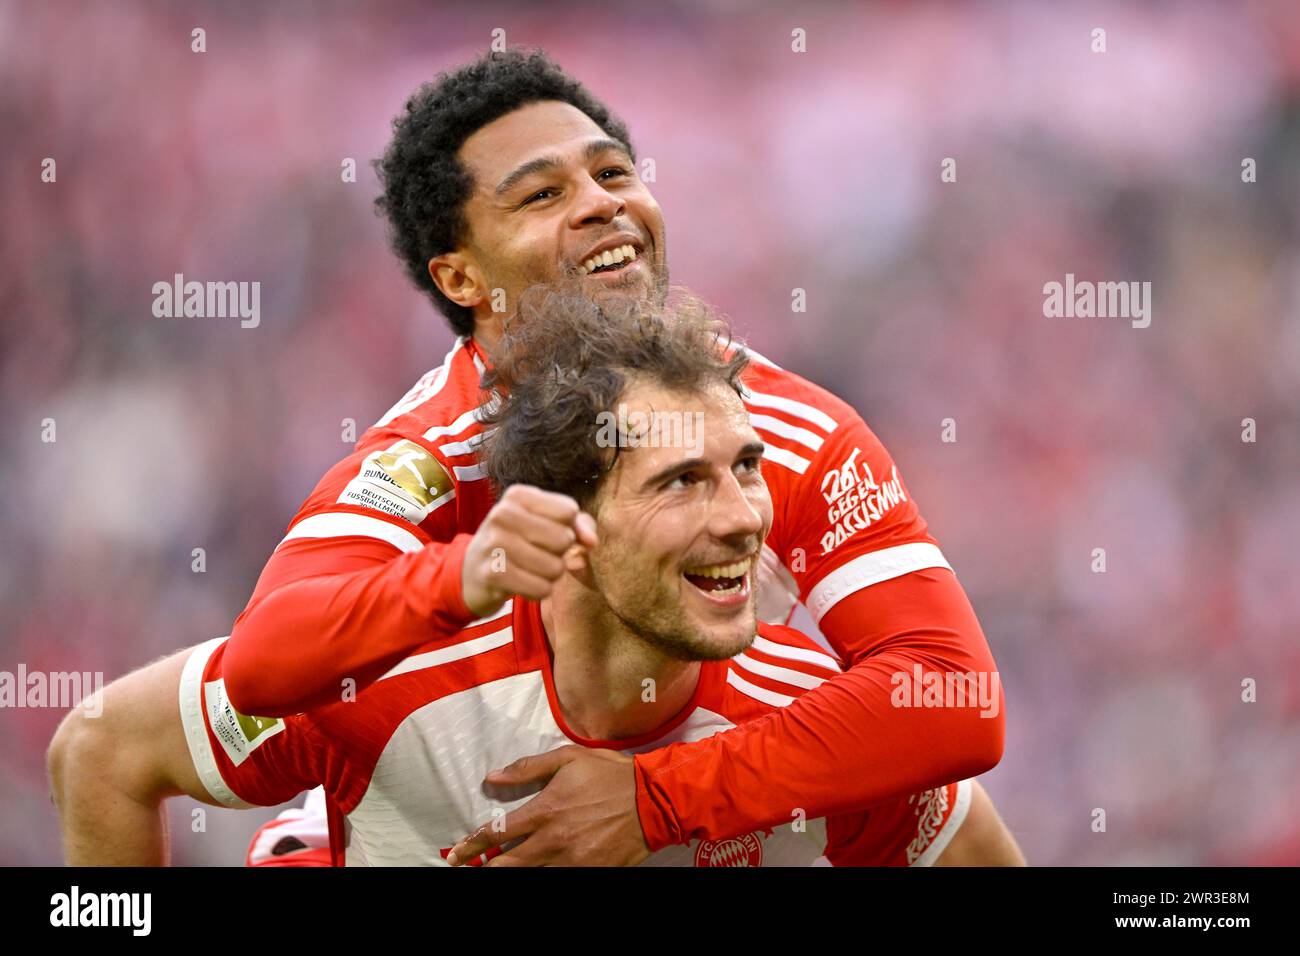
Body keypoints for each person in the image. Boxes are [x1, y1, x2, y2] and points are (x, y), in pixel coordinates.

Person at [208, 47, 1004, 864]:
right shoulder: (435, 459)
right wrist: (462, 575)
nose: (601, 205)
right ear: (460, 276)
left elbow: (955, 699)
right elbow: (231, 682)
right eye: (544, 194)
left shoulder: (782, 425)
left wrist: (660, 798)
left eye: (615, 174)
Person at [49, 293, 1023, 867]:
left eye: (747, 466)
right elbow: (100, 752)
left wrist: (658, 799)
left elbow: (971, 827)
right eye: (681, 480)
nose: (743, 515)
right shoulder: (383, 680)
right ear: (568, 522)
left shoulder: (819, 726)